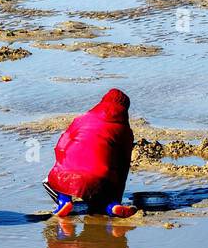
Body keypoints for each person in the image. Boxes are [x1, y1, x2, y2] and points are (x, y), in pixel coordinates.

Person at [42, 89, 138, 219]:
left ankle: (64, 201)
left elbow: (61, 145)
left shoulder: (83, 119)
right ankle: (112, 206)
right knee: (99, 201)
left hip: (68, 173)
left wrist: (61, 164)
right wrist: (117, 196)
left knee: (49, 181)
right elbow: (123, 164)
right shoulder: (125, 132)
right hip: (100, 177)